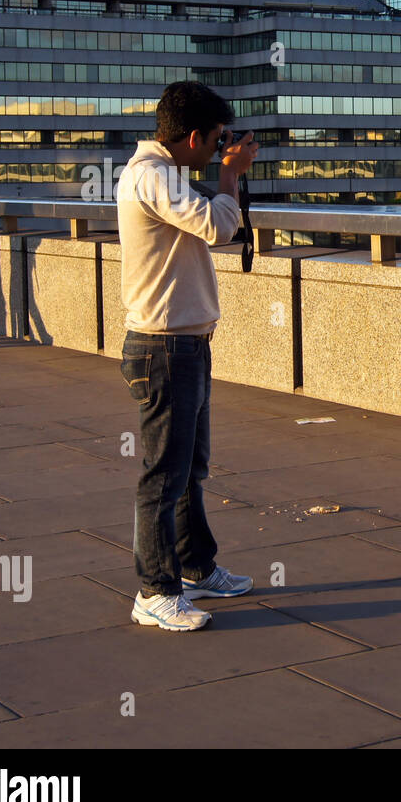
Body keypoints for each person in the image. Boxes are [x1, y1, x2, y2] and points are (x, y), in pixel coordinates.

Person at [117, 81, 260, 630]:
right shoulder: (151, 176)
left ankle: (197, 567)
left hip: (184, 342)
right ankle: (154, 591)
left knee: (190, 469)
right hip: (163, 347)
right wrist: (231, 176)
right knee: (164, 474)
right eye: (218, 140)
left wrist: (223, 172)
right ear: (194, 135)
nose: (221, 148)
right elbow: (217, 226)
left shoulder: (161, 174)